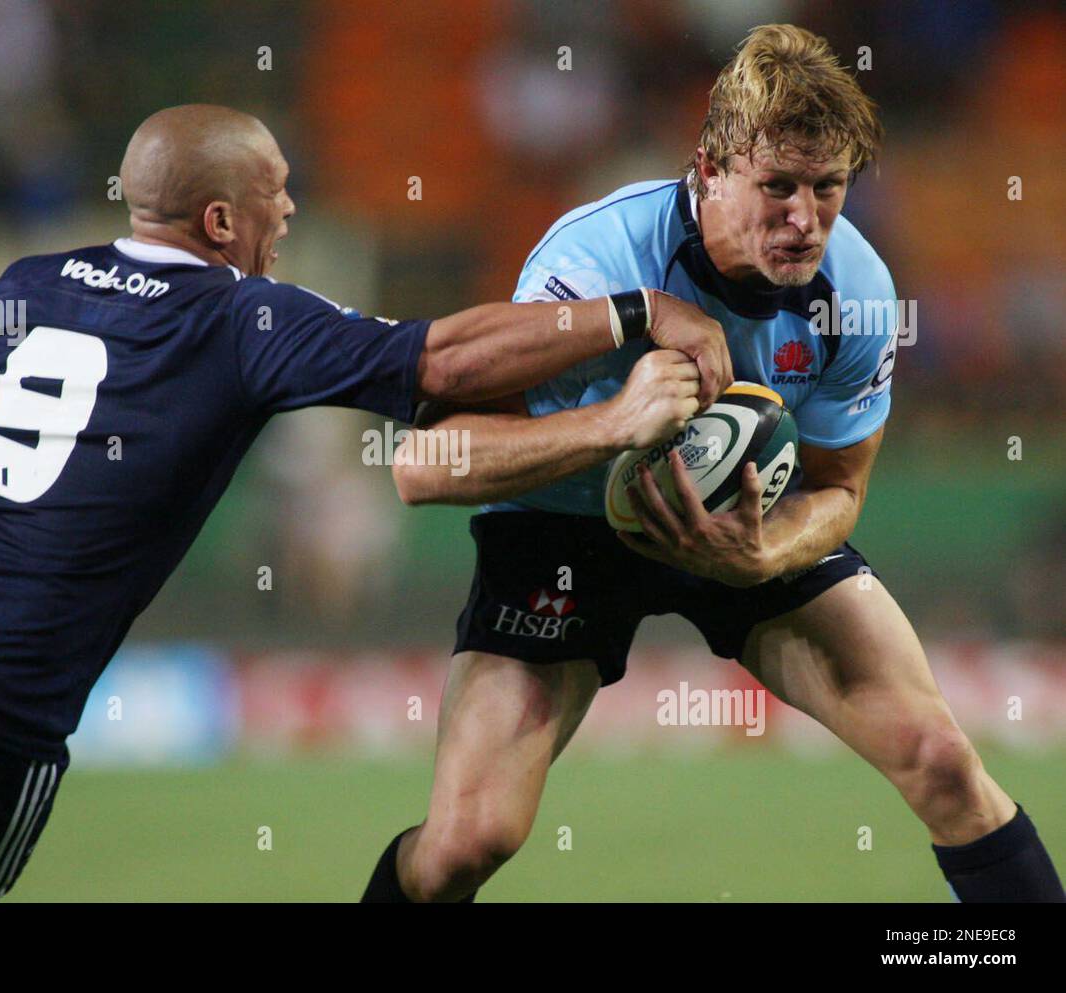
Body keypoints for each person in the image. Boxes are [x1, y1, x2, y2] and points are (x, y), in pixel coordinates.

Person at [0, 104, 730, 903]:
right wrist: (635, 313)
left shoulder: (28, 279)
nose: (292, 205)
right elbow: (443, 360)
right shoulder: (243, 316)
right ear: (223, 222)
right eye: (276, 190)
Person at [361, 25, 1064, 904]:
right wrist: (612, 424)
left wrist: (766, 554)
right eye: (776, 187)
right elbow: (422, 464)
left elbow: (840, 489)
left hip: (746, 520)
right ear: (710, 169)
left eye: (827, 188)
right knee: (468, 841)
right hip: (563, 528)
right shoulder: (593, 263)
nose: (804, 220)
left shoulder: (860, 291)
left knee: (944, 762)